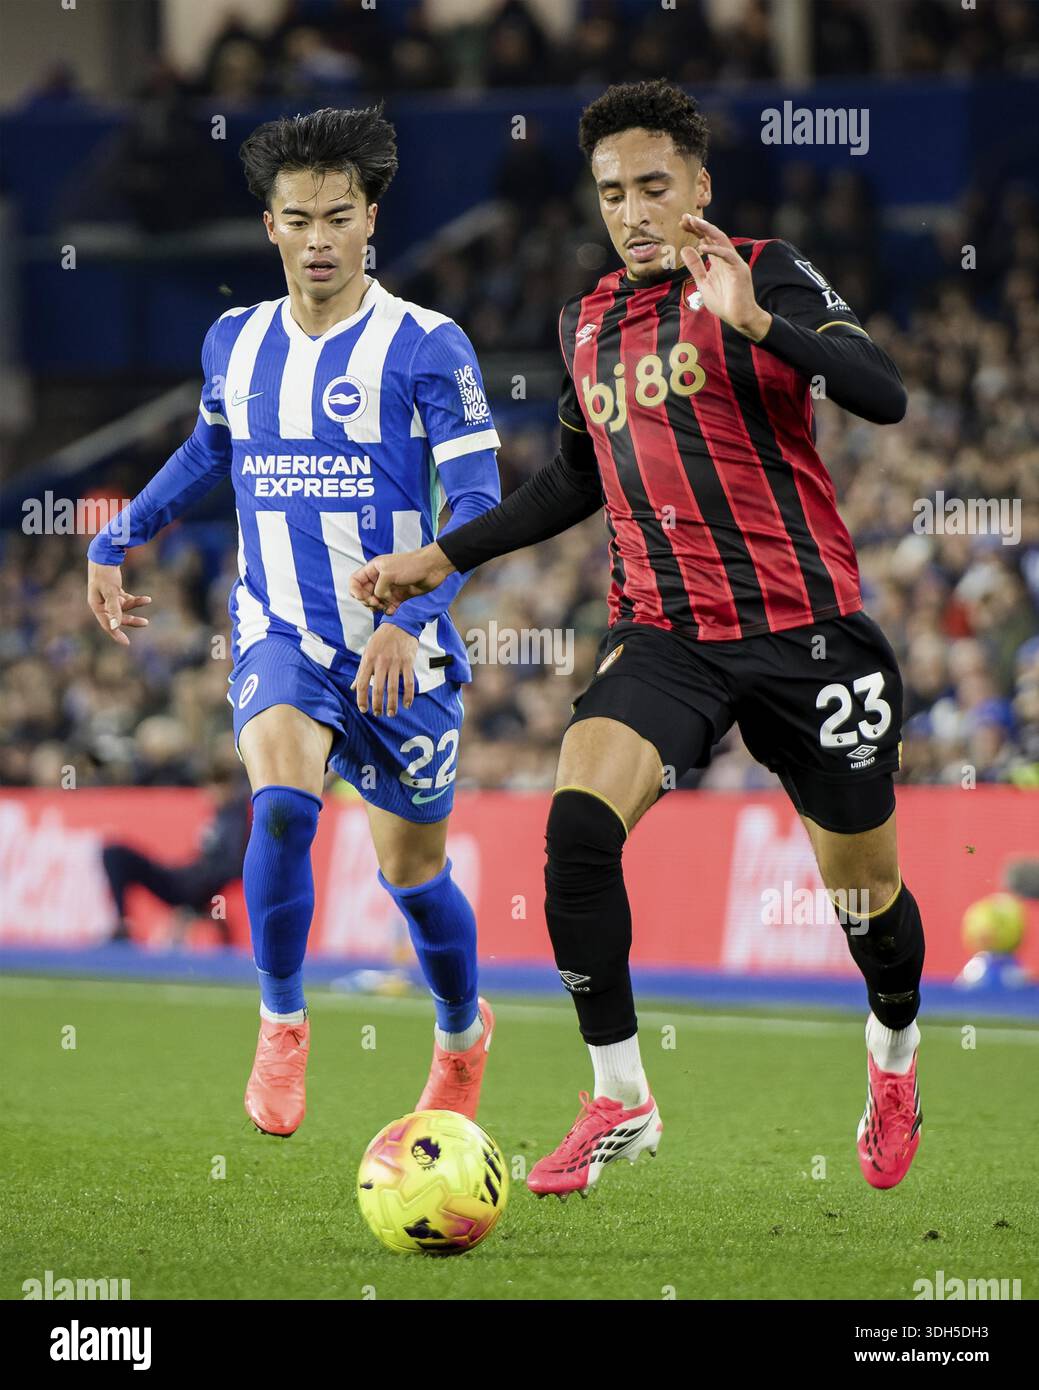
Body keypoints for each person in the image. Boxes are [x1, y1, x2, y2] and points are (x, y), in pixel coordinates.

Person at [350, 80, 923, 1197]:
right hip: (666, 634)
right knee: (573, 830)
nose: (633, 210)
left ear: (698, 186)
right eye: (613, 192)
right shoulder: (586, 322)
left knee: (866, 902)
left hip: (810, 636)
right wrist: (446, 554)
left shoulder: (772, 270)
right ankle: (621, 1097)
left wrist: (760, 322)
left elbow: (883, 396)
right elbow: (575, 476)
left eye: (655, 185)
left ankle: (894, 1056)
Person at [87, 105, 501, 1138]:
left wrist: (421, 612)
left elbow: (484, 506)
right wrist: (115, 536)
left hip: (403, 654)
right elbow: (208, 452)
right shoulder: (236, 340)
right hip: (281, 633)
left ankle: (459, 1031)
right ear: (269, 227)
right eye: (297, 218)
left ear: (371, 221)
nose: (318, 238)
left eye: (338, 216)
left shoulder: (427, 347)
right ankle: (281, 1019)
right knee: (280, 805)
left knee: (413, 874)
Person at [102, 766, 250, 945]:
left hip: (189, 886)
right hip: (187, 879)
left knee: (115, 854)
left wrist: (200, 895)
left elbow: (233, 865)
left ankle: (122, 924)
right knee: (114, 852)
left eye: (215, 786)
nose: (209, 793)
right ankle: (122, 922)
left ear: (228, 788)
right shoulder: (221, 818)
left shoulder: (235, 818)